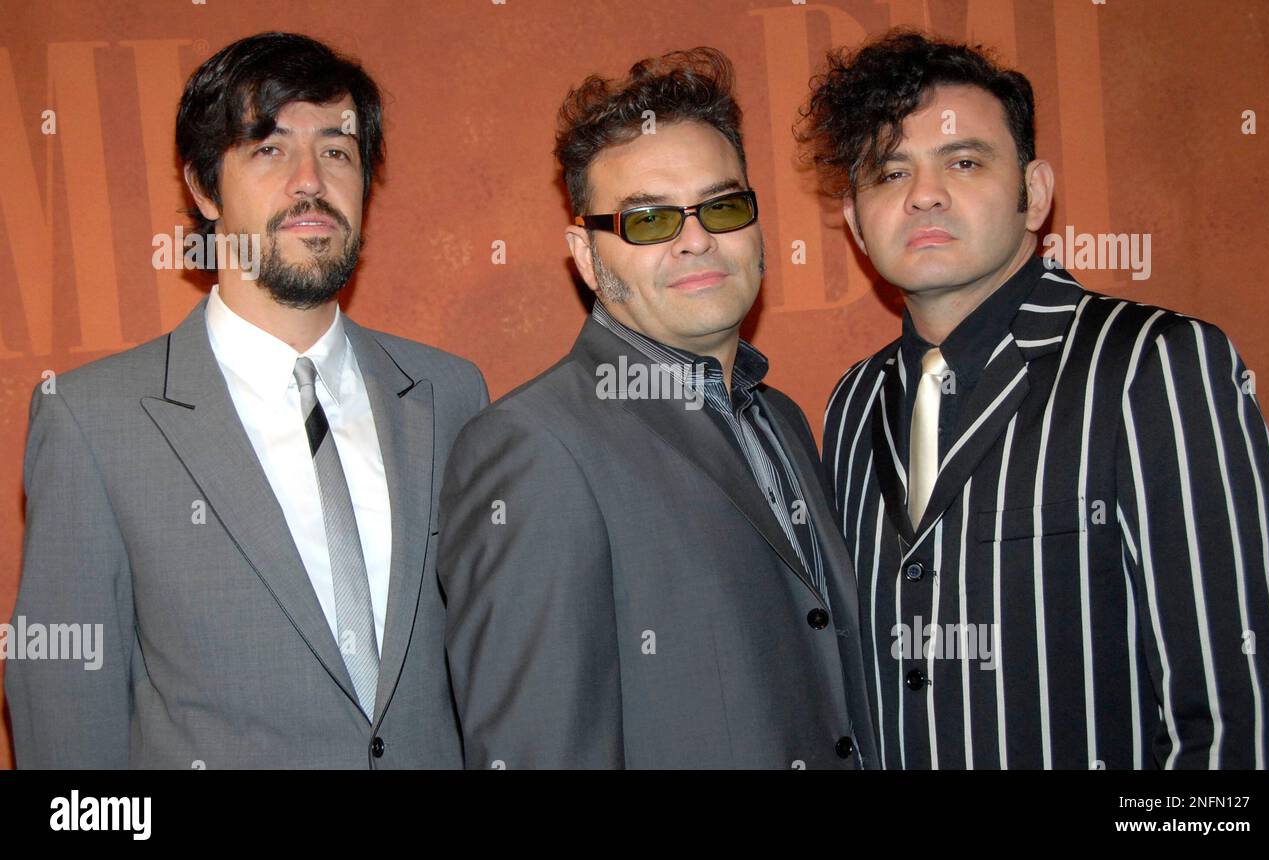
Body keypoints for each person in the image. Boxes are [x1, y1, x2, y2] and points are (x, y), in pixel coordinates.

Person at [806, 30, 1269, 769]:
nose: (924, 193)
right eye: (888, 172)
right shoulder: (854, 404)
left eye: (963, 161)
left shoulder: (1151, 363)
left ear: (1034, 193)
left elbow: (1243, 720)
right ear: (854, 223)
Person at [5, 32, 486, 768]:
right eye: (268, 148)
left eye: (336, 150)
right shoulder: (93, 421)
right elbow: (67, 720)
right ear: (203, 186)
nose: (309, 181)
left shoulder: (451, 394)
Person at [437, 48, 877, 769]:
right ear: (586, 255)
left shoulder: (784, 421)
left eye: (723, 206)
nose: (697, 239)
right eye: (649, 221)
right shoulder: (534, 447)